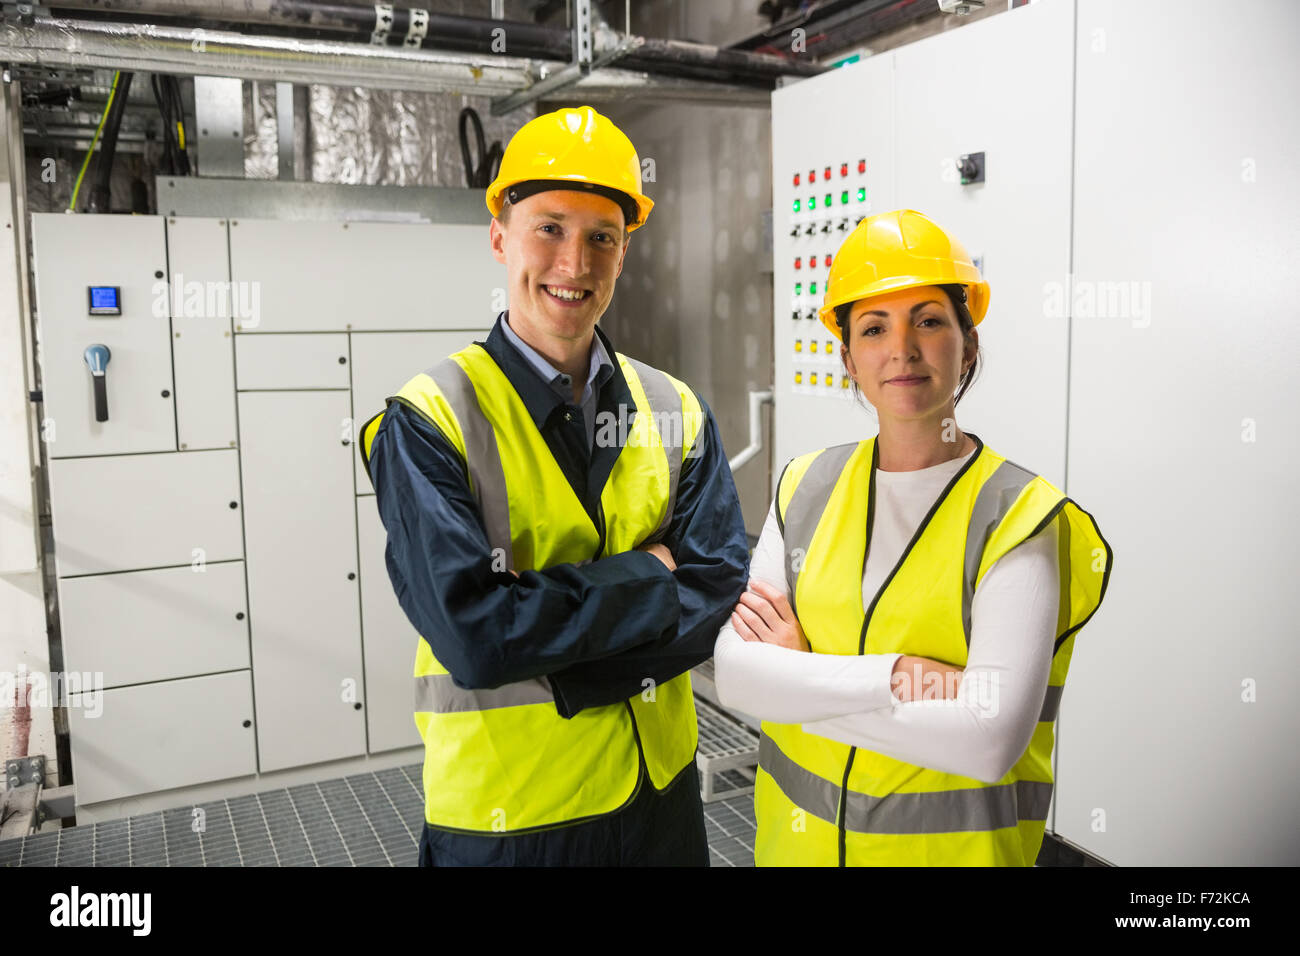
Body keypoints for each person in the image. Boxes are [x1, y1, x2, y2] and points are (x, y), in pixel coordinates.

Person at [359, 106, 748, 866]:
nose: (575, 263)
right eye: (550, 228)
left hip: (661, 808)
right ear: (500, 237)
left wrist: (556, 641)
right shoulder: (429, 419)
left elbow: (717, 590)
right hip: (511, 824)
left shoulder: (674, 409)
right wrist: (651, 575)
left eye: (601, 236)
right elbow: (476, 636)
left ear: (624, 252)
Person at [713, 209, 1113, 866]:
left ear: (969, 344)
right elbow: (736, 677)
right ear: (848, 357)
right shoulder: (805, 486)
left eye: (929, 320)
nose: (902, 348)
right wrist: (902, 678)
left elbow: (987, 739)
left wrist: (797, 675)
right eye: (874, 328)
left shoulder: (1018, 517)